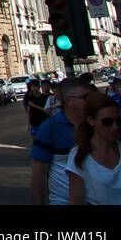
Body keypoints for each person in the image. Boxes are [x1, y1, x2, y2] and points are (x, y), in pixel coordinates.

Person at [66, 90, 121, 205]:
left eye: (118, 121)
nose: (115, 127)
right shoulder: (79, 156)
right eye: (107, 122)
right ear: (91, 121)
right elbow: (75, 201)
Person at [31, 76, 91, 205]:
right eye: (85, 98)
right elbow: (38, 173)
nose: (90, 102)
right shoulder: (50, 128)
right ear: (69, 101)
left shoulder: (97, 124)